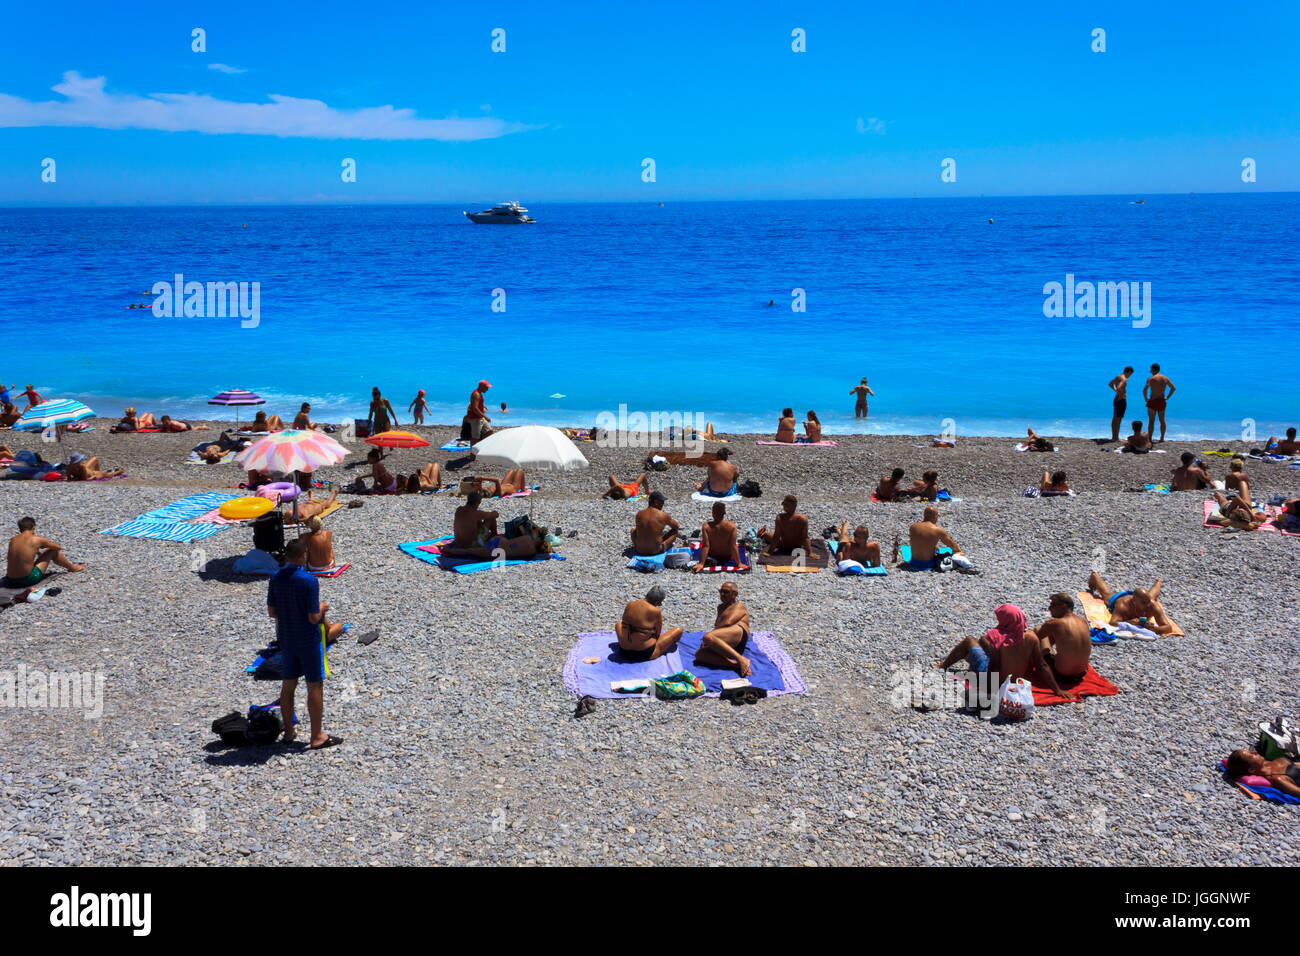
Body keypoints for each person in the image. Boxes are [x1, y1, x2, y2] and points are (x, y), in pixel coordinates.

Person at [269, 538, 344, 750]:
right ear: (303, 556)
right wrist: (323, 607)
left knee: (288, 685)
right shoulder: (309, 581)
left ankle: (289, 733)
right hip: (307, 641)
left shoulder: (275, 578)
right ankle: (316, 736)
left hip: (286, 638)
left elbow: (272, 612)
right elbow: (313, 617)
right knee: (314, 685)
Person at [935, 603, 1080, 701]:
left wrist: (988, 690)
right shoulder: (1031, 637)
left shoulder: (997, 637)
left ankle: (944, 665)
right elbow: (1041, 665)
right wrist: (1057, 690)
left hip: (996, 680)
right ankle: (967, 657)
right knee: (981, 644)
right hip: (1014, 681)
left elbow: (994, 667)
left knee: (969, 641)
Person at [4, 516, 85, 588]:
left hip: (10, 580)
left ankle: (72, 567)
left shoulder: (13, 540)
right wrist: (44, 545)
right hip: (26, 580)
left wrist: (38, 550)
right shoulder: (37, 539)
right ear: (34, 526)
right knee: (52, 551)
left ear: (20, 528)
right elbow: (58, 547)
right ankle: (73, 568)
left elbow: (21, 554)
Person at [1087, 570, 1177, 635]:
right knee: (1106, 595)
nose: (1147, 605)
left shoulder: (1151, 605)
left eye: (1147, 602)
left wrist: (1154, 629)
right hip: (1121, 598)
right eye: (1144, 603)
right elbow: (1113, 622)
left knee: (1152, 596)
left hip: (1140, 597)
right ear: (1133, 602)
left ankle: (1159, 582)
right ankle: (1095, 575)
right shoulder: (1122, 604)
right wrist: (1129, 622)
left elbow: (1168, 628)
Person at [693, 581, 753, 677]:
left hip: (739, 635)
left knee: (707, 637)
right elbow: (719, 626)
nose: (722, 594)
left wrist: (710, 638)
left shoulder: (739, 606)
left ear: (735, 594)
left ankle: (741, 659)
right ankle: (735, 665)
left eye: (725, 592)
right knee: (699, 654)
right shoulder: (720, 607)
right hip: (727, 641)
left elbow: (727, 623)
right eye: (721, 591)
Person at [1031, 593, 1092, 680]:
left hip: (1060, 676)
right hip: (1081, 673)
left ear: (1063, 606)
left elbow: (1033, 640)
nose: (1049, 608)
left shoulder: (1055, 624)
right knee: (1055, 636)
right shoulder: (1082, 621)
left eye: (1053, 605)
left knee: (1038, 629)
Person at [615, 585, 684, 661]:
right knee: (678, 630)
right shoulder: (655, 611)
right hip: (645, 654)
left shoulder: (630, 604)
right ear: (657, 602)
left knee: (619, 624)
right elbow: (657, 634)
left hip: (624, 651)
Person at [901, 506, 972, 570]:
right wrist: (958, 551)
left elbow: (918, 540)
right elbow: (952, 545)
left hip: (913, 562)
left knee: (935, 549)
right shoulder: (938, 530)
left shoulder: (913, 527)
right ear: (935, 517)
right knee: (958, 553)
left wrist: (933, 546)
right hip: (928, 564)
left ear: (924, 515)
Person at [444, 491, 500, 558]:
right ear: (477, 503)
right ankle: (495, 536)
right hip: (471, 544)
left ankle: (492, 537)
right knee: (491, 518)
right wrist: (493, 512)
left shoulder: (459, 509)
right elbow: (496, 515)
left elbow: (473, 520)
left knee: (477, 521)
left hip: (457, 542)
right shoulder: (476, 513)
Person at [1224, 750, 1300, 798]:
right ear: (1251, 770)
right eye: (1252, 755)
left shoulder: (1270, 763)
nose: (1255, 751)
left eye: (1251, 751)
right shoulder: (1278, 778)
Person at [696, 502, 744, 570]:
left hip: (713, 555)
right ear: (724, 512)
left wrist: (701, 563)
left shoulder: (706, 527)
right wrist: (739, 563)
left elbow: (706, 546)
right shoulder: (731, 526)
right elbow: (733, 546)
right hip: (727, 556)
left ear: (712, 513)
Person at [631, 491, 679, 556]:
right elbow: (676, 526)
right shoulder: (663, 515)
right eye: (662, 501)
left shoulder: (639, 514)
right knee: (675, 531)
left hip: (639, 551)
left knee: (633, 530)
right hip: (656, 551)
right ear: (656, 502)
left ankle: (640, 546)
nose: (663, 503)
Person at [1143, 363, 1175, 442]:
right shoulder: (1165, 378)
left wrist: (1146, 398)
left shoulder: (1151, 379)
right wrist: (1167, 397)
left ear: (1153, 370)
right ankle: (1162, 438)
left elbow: (1145, 390)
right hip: (1161, 400)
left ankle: (1150, 438)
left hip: (1153, 401)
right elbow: (1173, 388)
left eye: (1151, 370)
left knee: (1151, 421)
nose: (1151, 372)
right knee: (1162, 420)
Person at [1108, 367, 1134, 442]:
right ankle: (1116, 437)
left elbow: (1110, 384)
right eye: (1130, 374)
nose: (1130, 376)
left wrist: (1116, 391)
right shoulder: (1124, 379)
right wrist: (1119, 394)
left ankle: (1114, 436)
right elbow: (1119, 387)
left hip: (1116, 399)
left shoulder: (1119, 377)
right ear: (1128, 372)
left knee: (1114, 418)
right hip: (1121, 400)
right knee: (1118, 419)